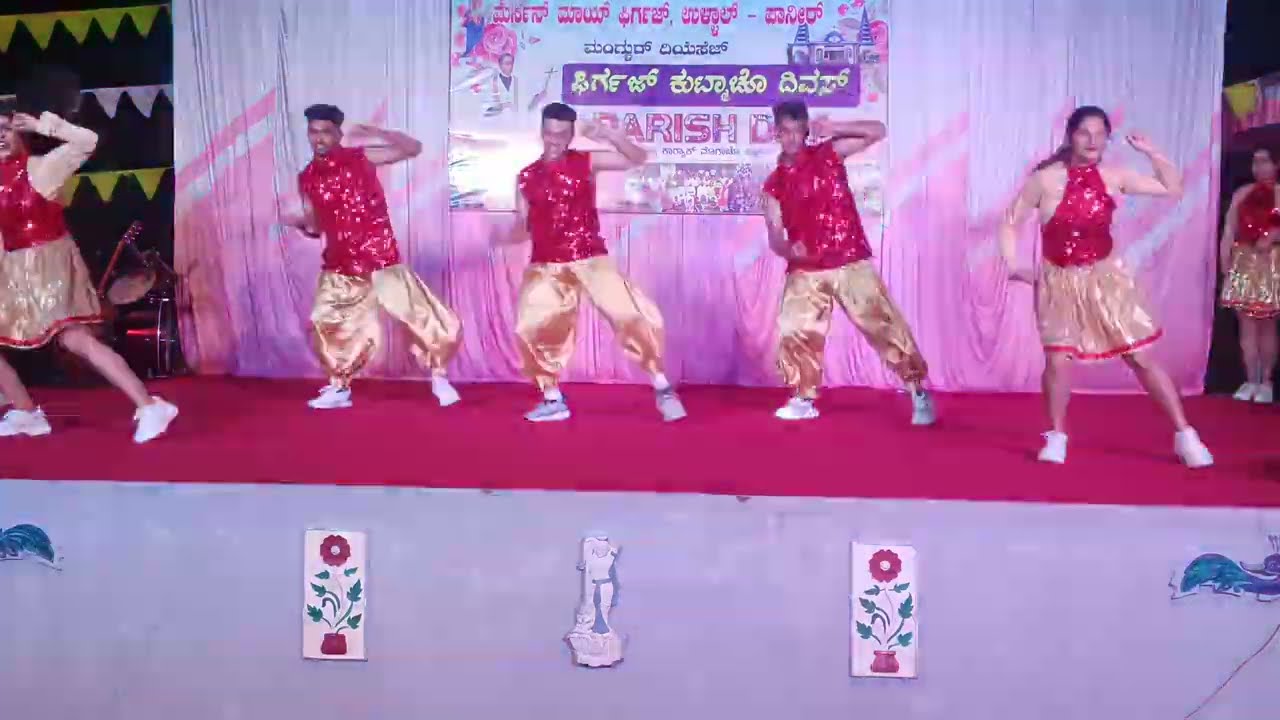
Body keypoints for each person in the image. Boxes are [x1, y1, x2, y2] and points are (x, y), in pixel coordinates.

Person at [999, 105, 1213, 467]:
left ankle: (1184, 434)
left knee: (1140, 357)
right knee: (1058, 361)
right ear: (1071, 136)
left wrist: (1152, 153)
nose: (1092, 140)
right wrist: (1015, 266)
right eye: (1085, 133)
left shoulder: (1115, 175)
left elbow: (1172, 188)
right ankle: (1056, 435)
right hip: (1059, 280)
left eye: (1100, 134)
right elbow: (1010, 221)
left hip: (1105, 278)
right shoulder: (1046, 179)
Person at [0, 105, 178, 441]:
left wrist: (46, 125)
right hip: (13, 270)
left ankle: (150, 405)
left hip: (49, 264)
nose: (0, 136)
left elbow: (87, 142)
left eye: (6, 128)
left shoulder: (40, 169)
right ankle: (24, 412)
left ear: (19, 133)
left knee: (75, 339)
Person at [509, 102, 686, 422]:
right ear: (541, 133)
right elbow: (522, 227)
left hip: (589, 255)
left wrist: (607, 133)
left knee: (629, 315)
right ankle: (552, 398)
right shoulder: (525, 177)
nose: (554, 141)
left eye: (562, 135)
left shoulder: (585, 162)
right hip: (546, 264)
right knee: (530, 327)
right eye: (549, 134)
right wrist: (506, 235)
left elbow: (637, 158)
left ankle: (662, 386)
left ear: (571, 134)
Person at [761, 101, 936, 424]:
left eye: (798, 131)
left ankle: (917, 390)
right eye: (785, 132)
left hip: (848, 258)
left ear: (806, 130)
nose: (791, 139)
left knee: (882, 324)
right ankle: (803, 397)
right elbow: (774, 235)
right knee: (795, 330)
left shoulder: (827, 155)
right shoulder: (774, 184)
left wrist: (836, 128)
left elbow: (877, 132)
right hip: (806, 269)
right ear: (777, 133)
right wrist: (788, 249)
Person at [283, 104, 462, 409]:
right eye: (314, 132)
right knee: (329, 324)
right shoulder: (307, 177)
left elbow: (412, 148)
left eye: (326, 131)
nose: (319, 138)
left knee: (422, 318)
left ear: (338, 134)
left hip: (380, 257)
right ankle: (339, 387)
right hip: (339, 264)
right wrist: (300, 223)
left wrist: (379, 133)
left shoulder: (360, 158)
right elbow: (315, 226)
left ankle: (440, 378)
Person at [1219, 146, 1280, 403]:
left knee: (1266, 325)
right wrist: (1225, 260)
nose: (1259, 168)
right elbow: (1229, 229)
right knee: (1246, 324)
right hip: (1243, 262)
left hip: (1271, 264)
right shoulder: (1241, 193)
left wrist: (1273, 237)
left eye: (1265, 161)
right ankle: (1250, 379)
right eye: (1255, 162)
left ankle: (1266, 381)